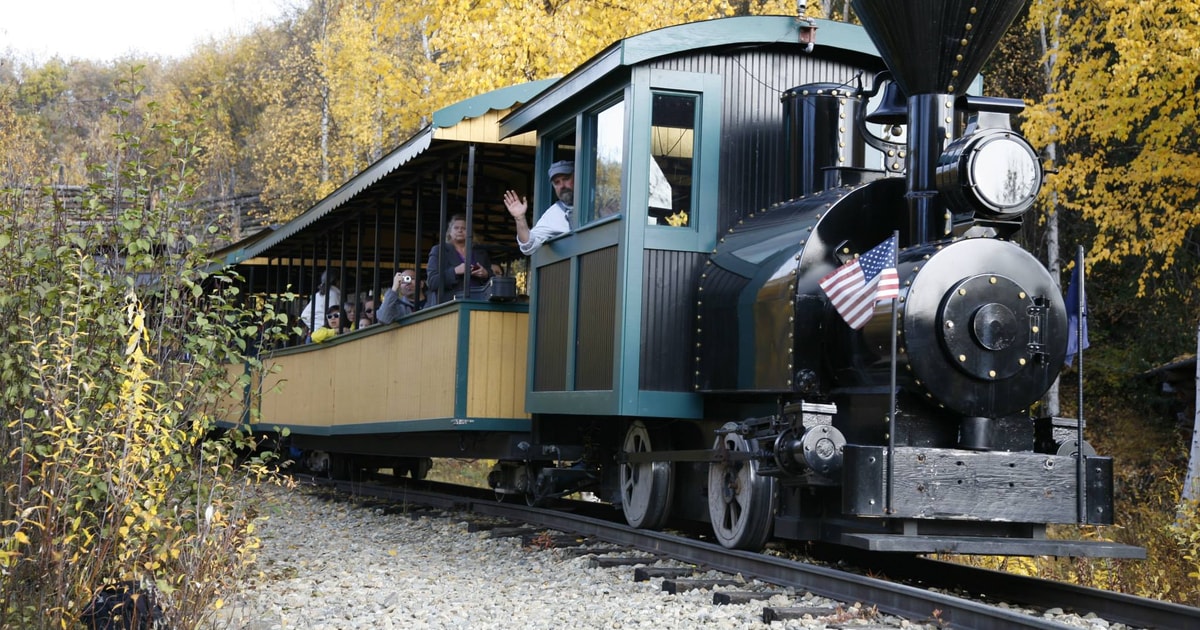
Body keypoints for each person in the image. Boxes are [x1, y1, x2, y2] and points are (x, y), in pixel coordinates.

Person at [503, 160, 574, 255]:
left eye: (566, 179)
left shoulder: (594, 202)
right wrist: (520, 218)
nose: (562, 186)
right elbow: (528, 246)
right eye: (557, 182)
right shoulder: (553, 214)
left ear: (577, 177)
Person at [426, 214, 493, 305]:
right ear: (450, 232)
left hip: (478, 303)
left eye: (464, 228)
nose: (460, 230)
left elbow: (493, 280)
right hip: (450, 305)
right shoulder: (439, 250)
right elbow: (432, 282)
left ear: (470, 232)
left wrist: (486, 274)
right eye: (456, 228)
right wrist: (455, 271)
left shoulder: (480, 252)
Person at [299, 270, 341, 341]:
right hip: (325, 336)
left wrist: (315, 327)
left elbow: (304, 315)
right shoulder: (333, 294)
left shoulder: (319, 294)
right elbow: (334, 314)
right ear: (337, 281)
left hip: (315, 334)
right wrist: (321, 327)